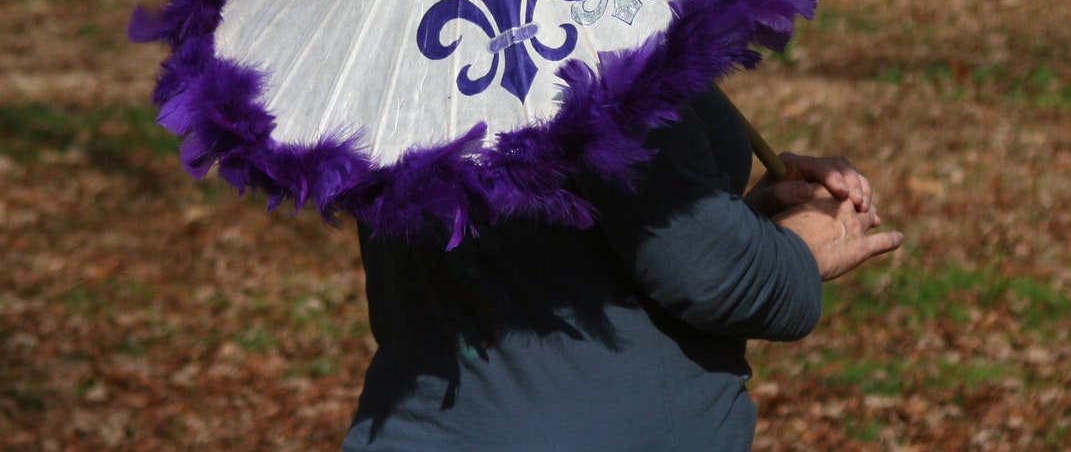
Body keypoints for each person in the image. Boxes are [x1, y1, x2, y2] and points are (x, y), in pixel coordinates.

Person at [341, 85, 902, 450]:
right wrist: (805, 241)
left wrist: (746, 218)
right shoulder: (592, 28)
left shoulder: (388, 41)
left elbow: (549, 253)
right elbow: (710, 273)